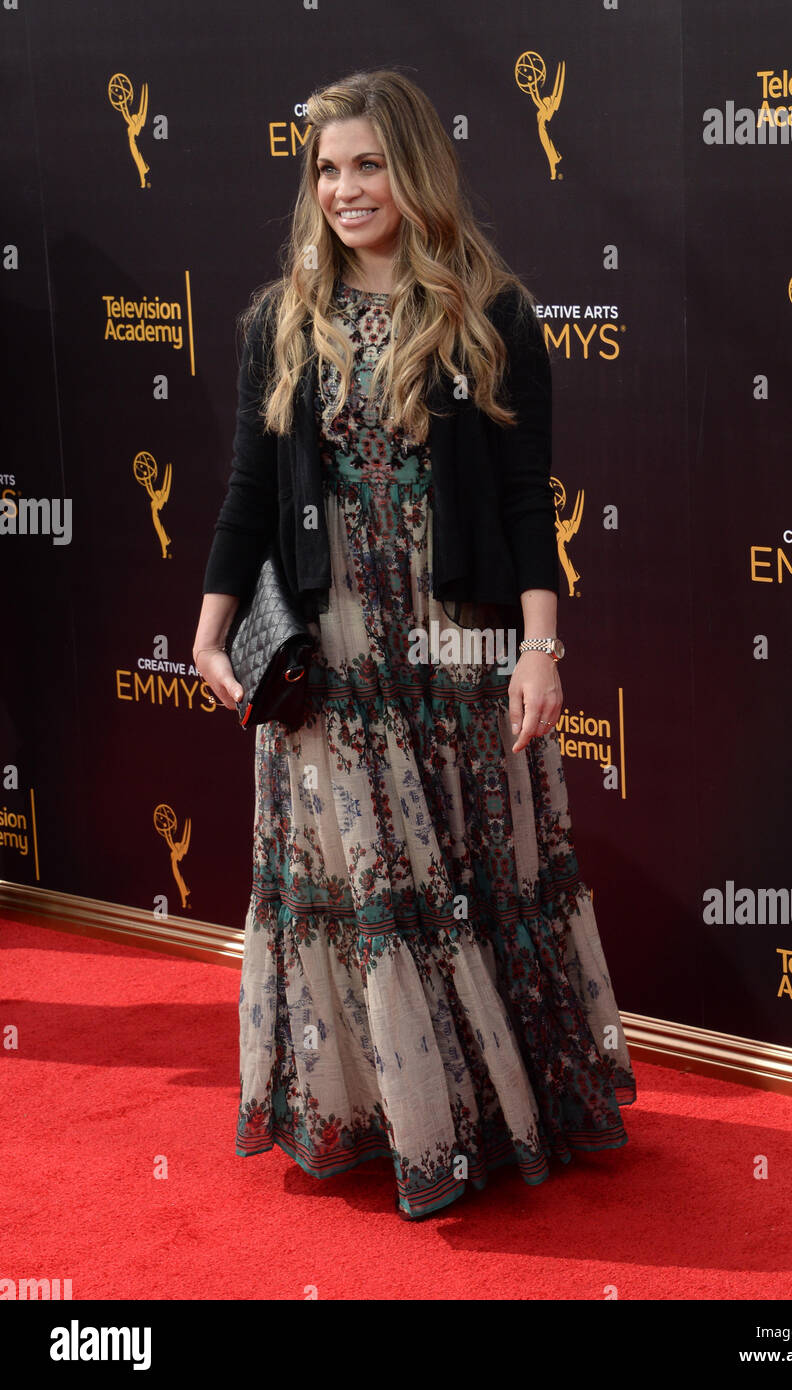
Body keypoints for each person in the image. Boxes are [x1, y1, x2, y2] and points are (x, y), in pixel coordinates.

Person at [191, 68, 636, 1221]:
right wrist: (212, 627)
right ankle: (394, 1117)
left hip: (453, 644)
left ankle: (495, 1110)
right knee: (370, 888)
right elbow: (248, 491)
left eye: (369, 165)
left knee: (471, 874)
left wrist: (540, 650)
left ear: (417, 170)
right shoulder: (280, 322)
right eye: (328, 170)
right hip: (332, 648)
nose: (345, 189)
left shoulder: (492, 315)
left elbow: (530, 500)